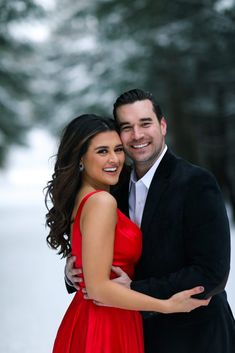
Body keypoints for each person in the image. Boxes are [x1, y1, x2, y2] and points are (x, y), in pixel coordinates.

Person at [65, 91, 235, 353]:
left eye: (145, 123)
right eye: (126, 127)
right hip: (135, 335)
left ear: (162, 125)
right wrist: (73, 272)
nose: (137, 135)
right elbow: (102, 251)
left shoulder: (196, 183)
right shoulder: (114, 187)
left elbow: (211, 273)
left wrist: (137, 289)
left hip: (194, 337)